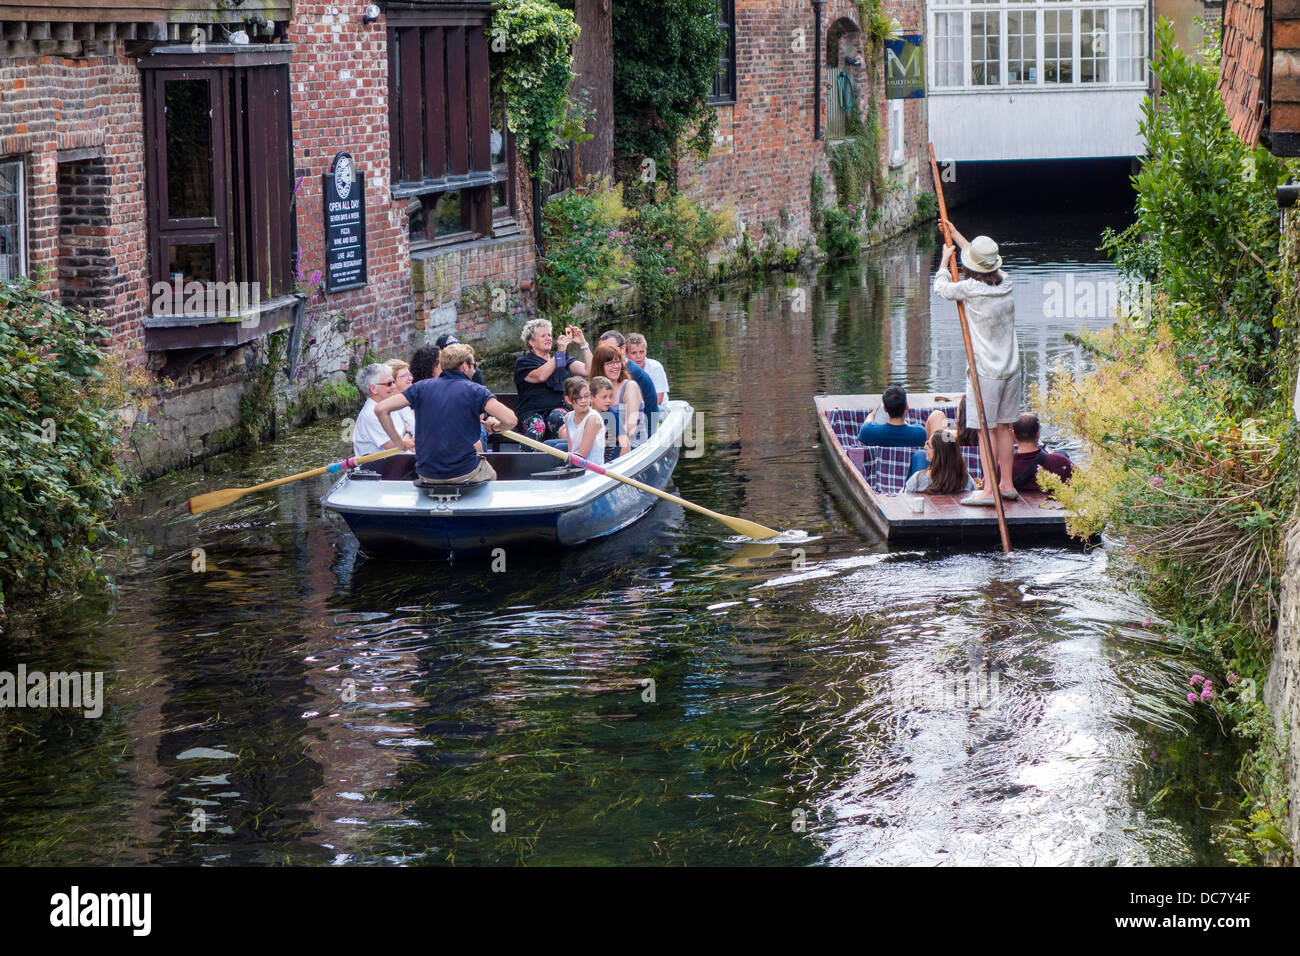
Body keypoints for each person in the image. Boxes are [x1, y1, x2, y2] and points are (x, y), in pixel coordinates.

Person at [934, 220, 1021, 506]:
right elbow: (979, 258)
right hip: (1012, 369)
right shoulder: (1006, 281)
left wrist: (946, 260)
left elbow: (941, 288)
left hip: (985, 372)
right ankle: (1006, 485)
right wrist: (955, 233)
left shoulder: (969, 289)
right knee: (1005, 427)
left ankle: (988, 490)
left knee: (985, 430)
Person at [374, 343, 516, 484]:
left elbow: (381, 409)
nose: (475, 369)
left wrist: (400, 444)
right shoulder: (477, 391)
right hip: (464, 471)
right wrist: (495, 427)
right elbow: (510, 420)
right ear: (465, 366)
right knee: (492, 475)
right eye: (474, 365)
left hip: (427, 473)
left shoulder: (420, 387)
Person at [514, 319, 591, 440]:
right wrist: (559, 353)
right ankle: (526, 457)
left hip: (558, 409)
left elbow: (588, 370)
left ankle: (563, 456)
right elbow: (541, 376)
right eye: (543, 336)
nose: (548, 338)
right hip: (531, 412)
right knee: (537, 426)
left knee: (558, 417)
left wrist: (583, 343)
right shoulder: (523, 362)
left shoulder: (561, 358)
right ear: (531, 342)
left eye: (549, 335)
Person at [597, 330, 660, 433]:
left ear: (623, 349)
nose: (604, 354)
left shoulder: (630, 373)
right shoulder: (610, 371)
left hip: (646, 426)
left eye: (609, 349)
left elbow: (633, 423)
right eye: (601, 350)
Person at [352, 362, 415, 458]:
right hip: (380, 468)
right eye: (389, 384)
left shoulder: (387, 405)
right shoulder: (370, 415)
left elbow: (407, 429)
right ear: (373, 389)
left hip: (397, 462)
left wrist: (407, 437)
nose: (394, 386)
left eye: (393, 382)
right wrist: (407, 438)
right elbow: (397, 448)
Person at [590, 342, 642, 456]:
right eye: (610, 363)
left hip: (630, 445)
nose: (616, 366)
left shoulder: (630, 386)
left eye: (617, 362)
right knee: (554, 444)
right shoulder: (595, 388)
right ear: (600, 366)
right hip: (604, 442)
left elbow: (631, 427)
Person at [1011, 413, 1074, 492]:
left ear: (1013, 435)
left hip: (1019, 502)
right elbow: (1081, 482)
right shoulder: (1060, 461)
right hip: (1053, 502)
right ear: (1038, 433)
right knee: (1062, 452)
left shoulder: (1003, 468)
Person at [902, 428, 976, 494]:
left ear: (938, 453)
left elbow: (905, 501)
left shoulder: (918, 480)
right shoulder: (966, 480)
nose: (925, 447)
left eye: (928, 444)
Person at [557, 376, 607, 465]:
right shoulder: (568, 417)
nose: (583, 401)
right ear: (568, 399)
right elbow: (571, 449)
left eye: (586, 396)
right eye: (578, 397)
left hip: (591, 470)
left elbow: (582, 456)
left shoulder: (593, 419)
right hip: (575, 467)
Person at [858, 385, 927, 447]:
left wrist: (873, 413)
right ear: (907, 406)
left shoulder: (867, 431)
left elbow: (867, 423)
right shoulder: (920, 433)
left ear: (885, 409)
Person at [626, 333, 669, 405]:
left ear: (646, 351)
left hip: (659, 408)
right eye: (634, 353)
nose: (638, 356)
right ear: (626, 354)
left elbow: (658, 401)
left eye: (641, 352)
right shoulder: (623, 370)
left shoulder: (655, 367)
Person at [588, 375, 618, 460]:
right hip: (589, 448)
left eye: (610, 397)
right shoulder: (587, 412)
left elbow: (610, 449)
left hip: (603, 457)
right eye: (604, 397)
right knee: (552, 444)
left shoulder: (611, 415)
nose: (609, 400)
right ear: (591, 397)